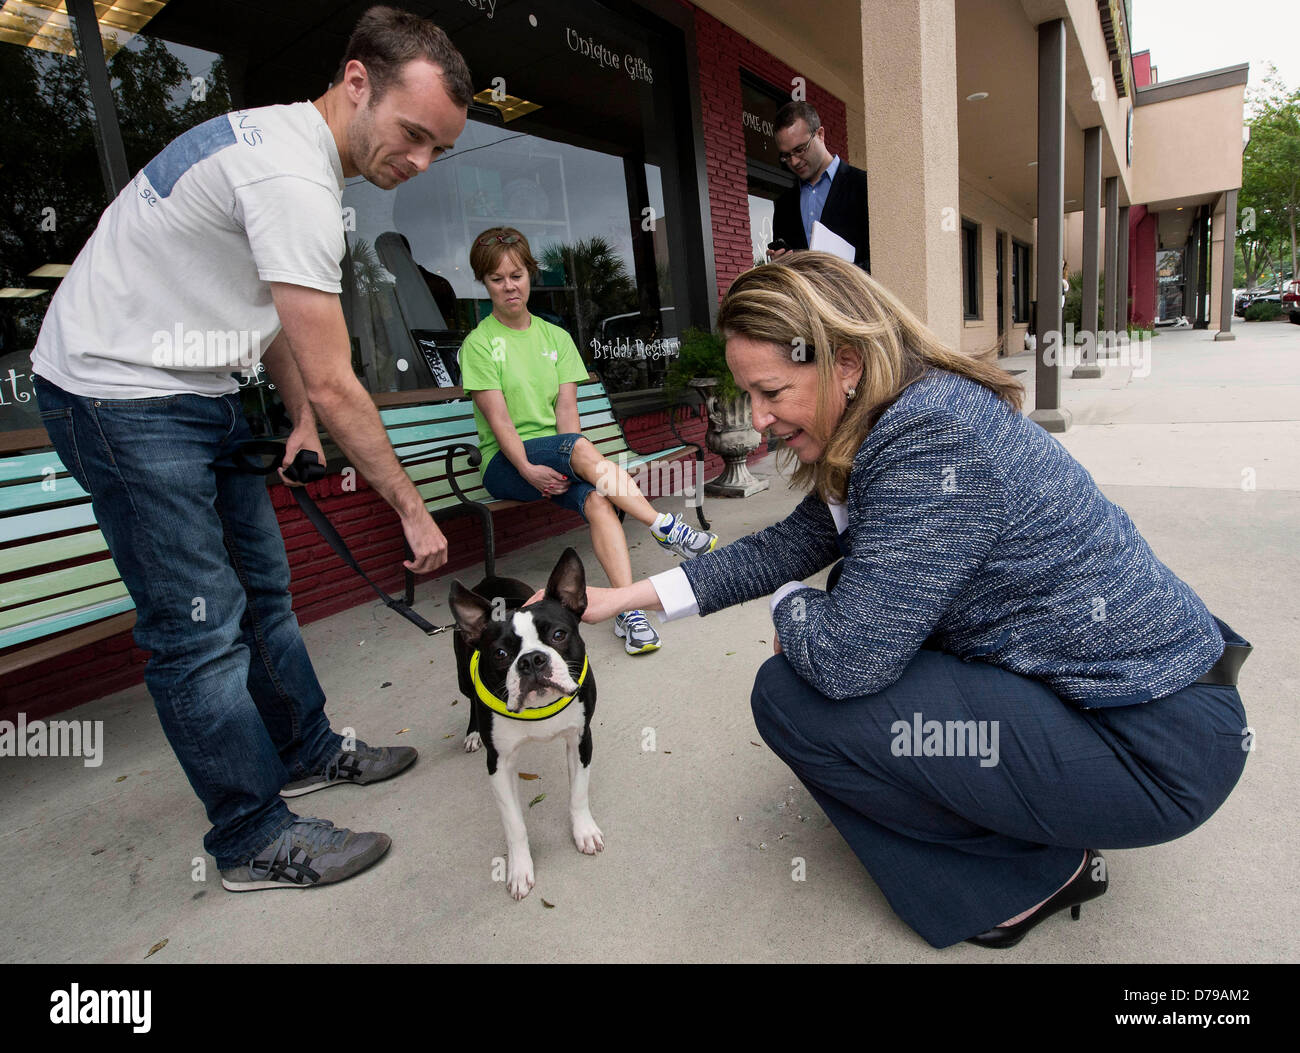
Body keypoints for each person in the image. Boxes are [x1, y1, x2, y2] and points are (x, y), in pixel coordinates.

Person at [569, 253, 1252, 949]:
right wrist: (629, 595)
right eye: (750, 396)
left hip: (1154, 747)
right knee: (852, 599)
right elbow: (788, 545)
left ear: (845, 363)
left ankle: (1030, 876)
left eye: (771, 390)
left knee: (794, 693)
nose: (761, 418)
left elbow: (846, 663)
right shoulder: (899, 411)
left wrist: (789, 609)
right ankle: (1026, 821)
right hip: (1145, 708)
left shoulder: (930, 438)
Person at [31, 6, 474, 891]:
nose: (419, 164)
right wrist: (412, 507)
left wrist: (297, 414)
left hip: (204, 387)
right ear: (357, 82)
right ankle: (251, 836)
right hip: (117, 391)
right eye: (413, 135)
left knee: (264, 592)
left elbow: (270, 300)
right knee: (198, 630)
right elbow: (343, 377)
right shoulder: (291, 178)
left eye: (439, 150)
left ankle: (303, 748)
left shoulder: (296, 157)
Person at [457, 227, 719, 656]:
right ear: (484, 283)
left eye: (517, 275)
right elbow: (499, 421)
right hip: (505, 465)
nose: (509, 286)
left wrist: (564, 459)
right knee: (578, 450)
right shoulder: (480, 344)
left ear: (531, 275)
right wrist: (528, 468)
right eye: (497, 279)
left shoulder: (555, 338)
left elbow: (566, 417)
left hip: (556, 456)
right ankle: (662, 526)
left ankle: (627, 609)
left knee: (599, 498)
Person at [769, 101, 870, 271]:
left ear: (820, 134)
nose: (794, 161)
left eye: (800, 149)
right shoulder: (784, 205)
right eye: (786, 155)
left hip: (854, 296)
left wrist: (841, 275)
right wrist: (780, 266)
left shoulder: (864, 185)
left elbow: (883, 258)